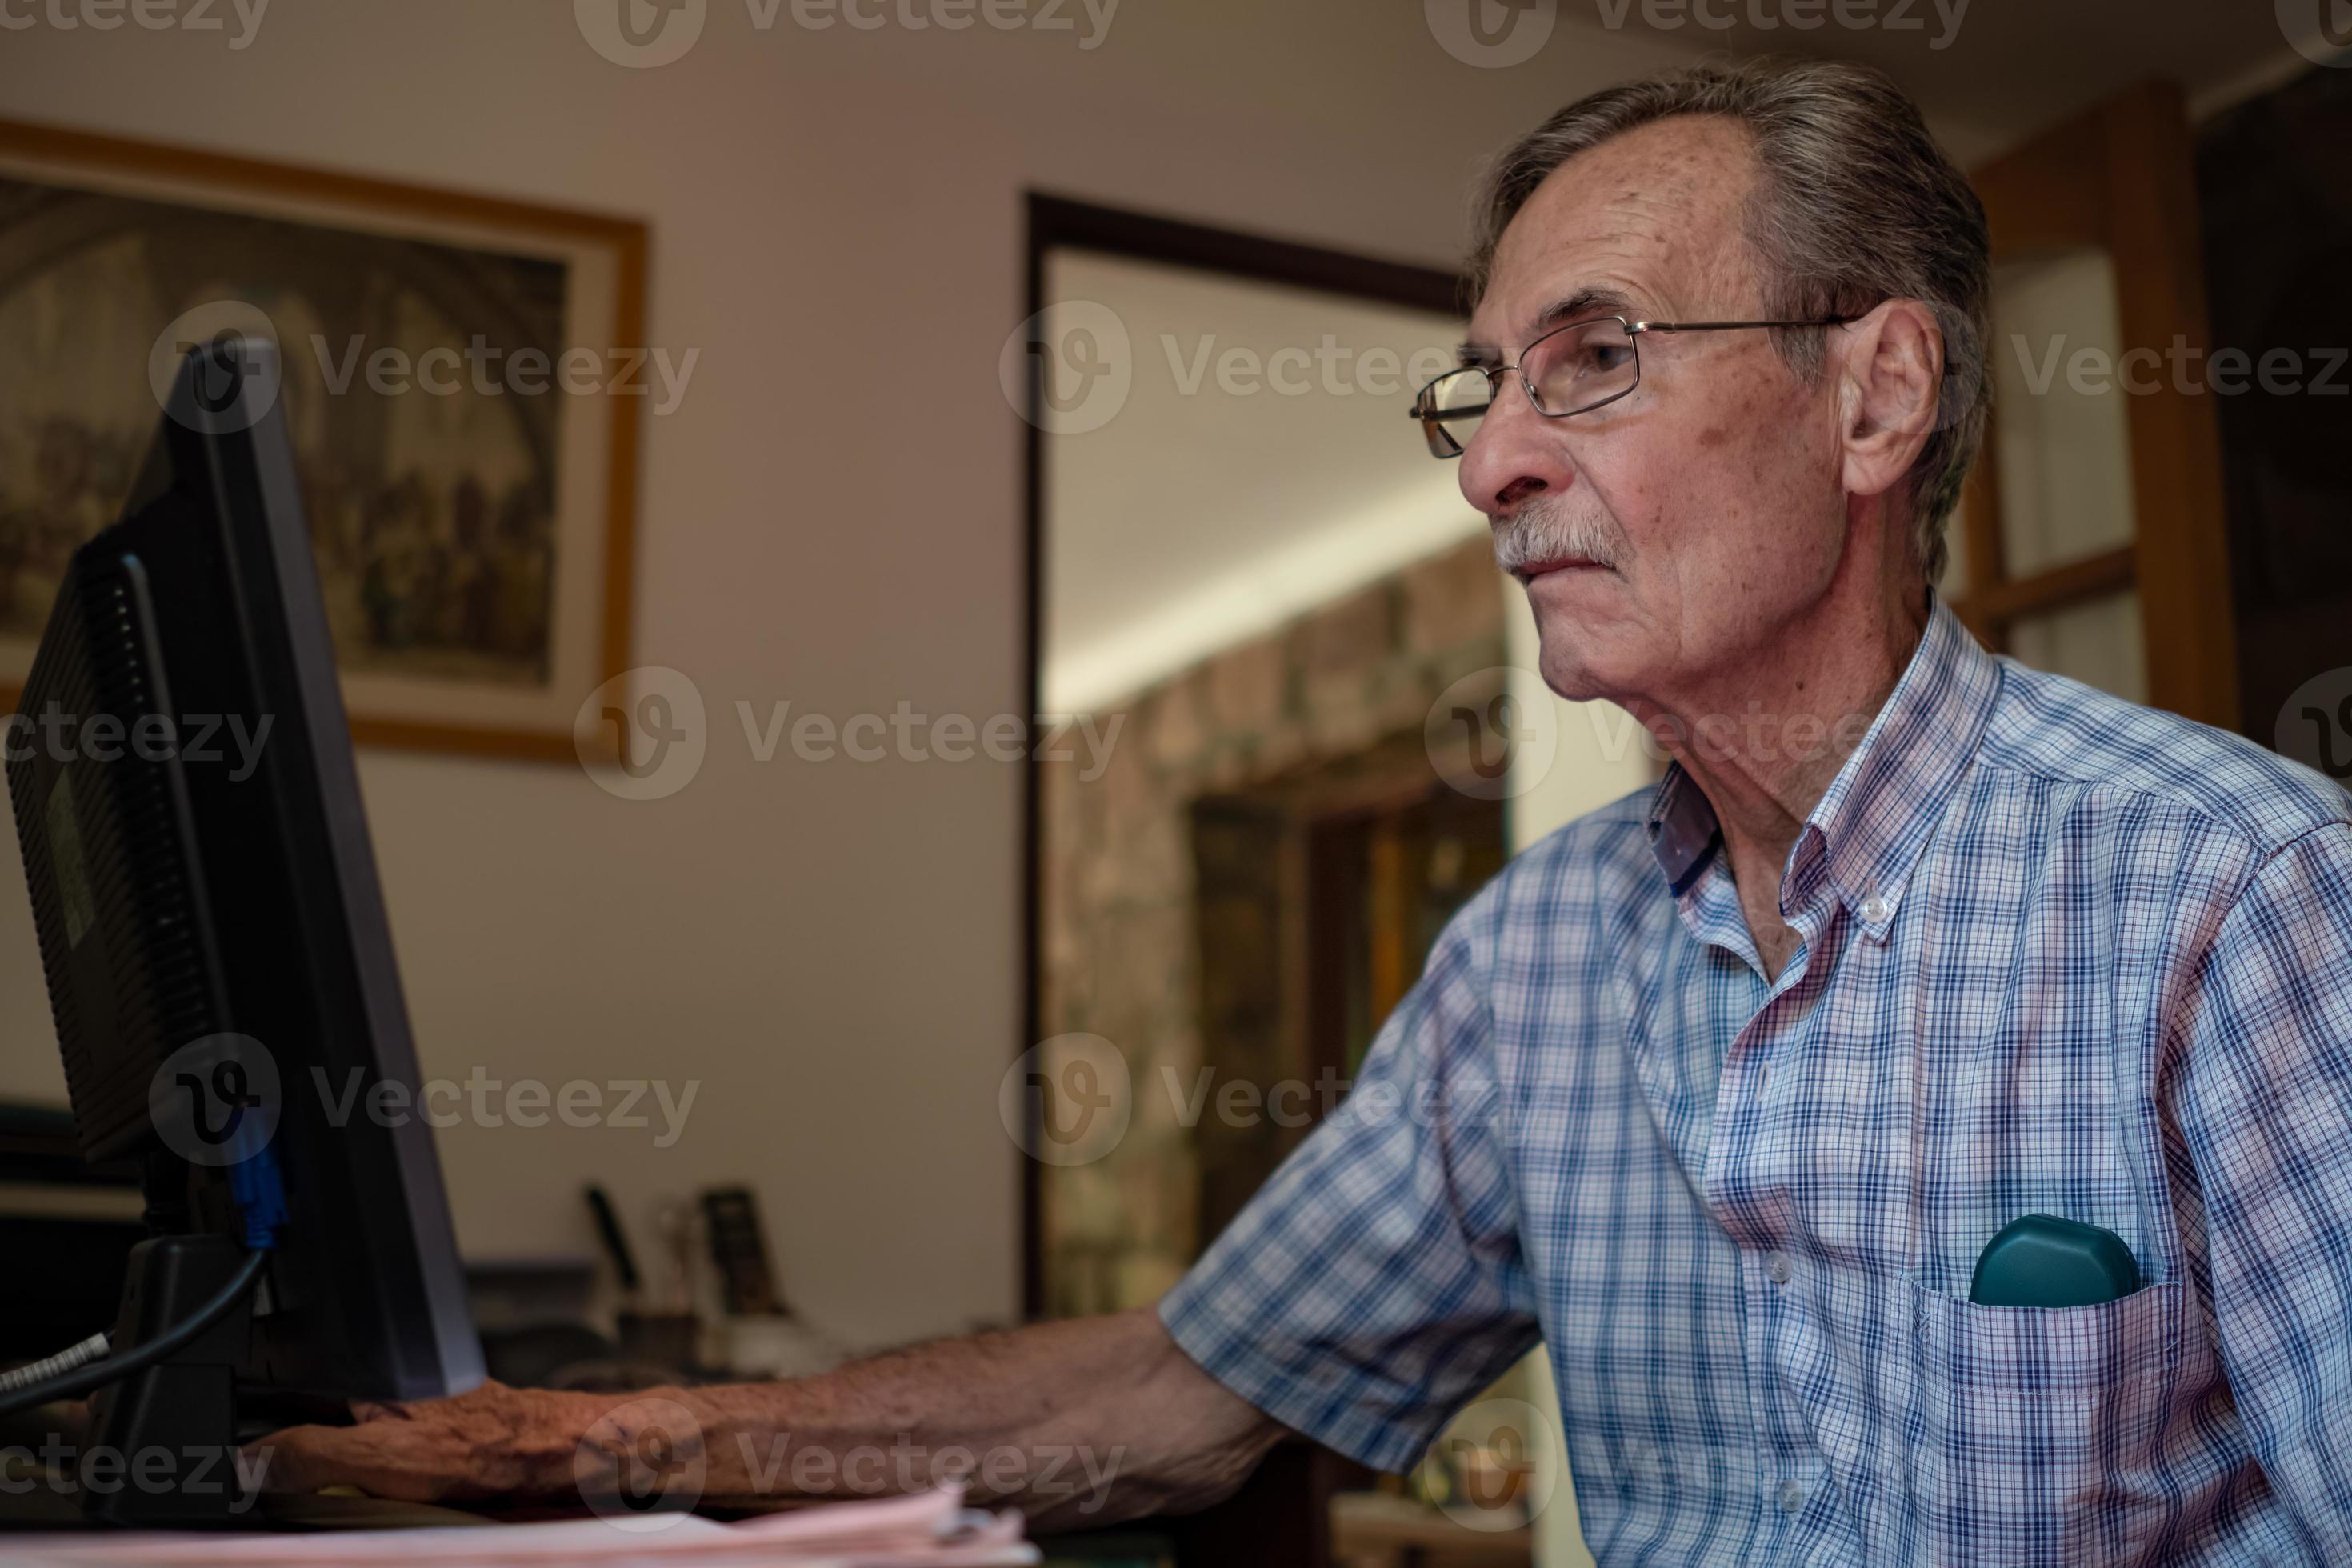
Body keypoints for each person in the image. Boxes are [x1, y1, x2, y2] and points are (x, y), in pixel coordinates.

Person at [263, 57, 2352, 1563]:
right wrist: (607, 1444)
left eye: (1591, 362)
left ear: (1875, 396)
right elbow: (1183, 1398)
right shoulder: (1531, 961)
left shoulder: (2228, 895)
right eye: (1484, 391)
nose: (1488, 468)